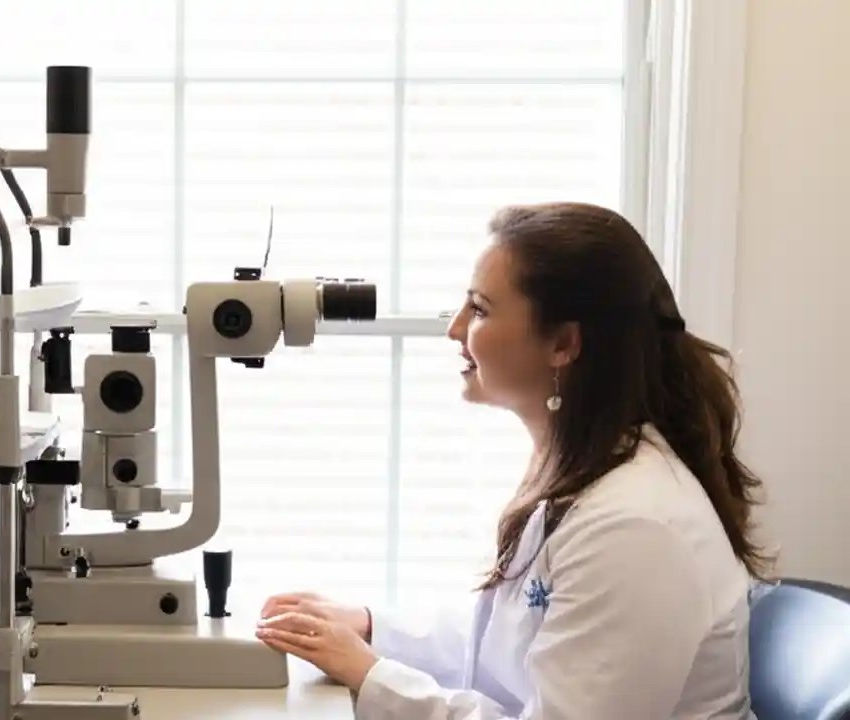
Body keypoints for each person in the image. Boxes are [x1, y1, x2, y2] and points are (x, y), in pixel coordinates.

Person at [256, 202, 769, 719]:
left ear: (564, 344)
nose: (455, 329)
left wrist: (373, 677)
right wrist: (372, 630)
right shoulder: (584, 470)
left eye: (479, 309)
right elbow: (513, 644)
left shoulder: (634, 526)